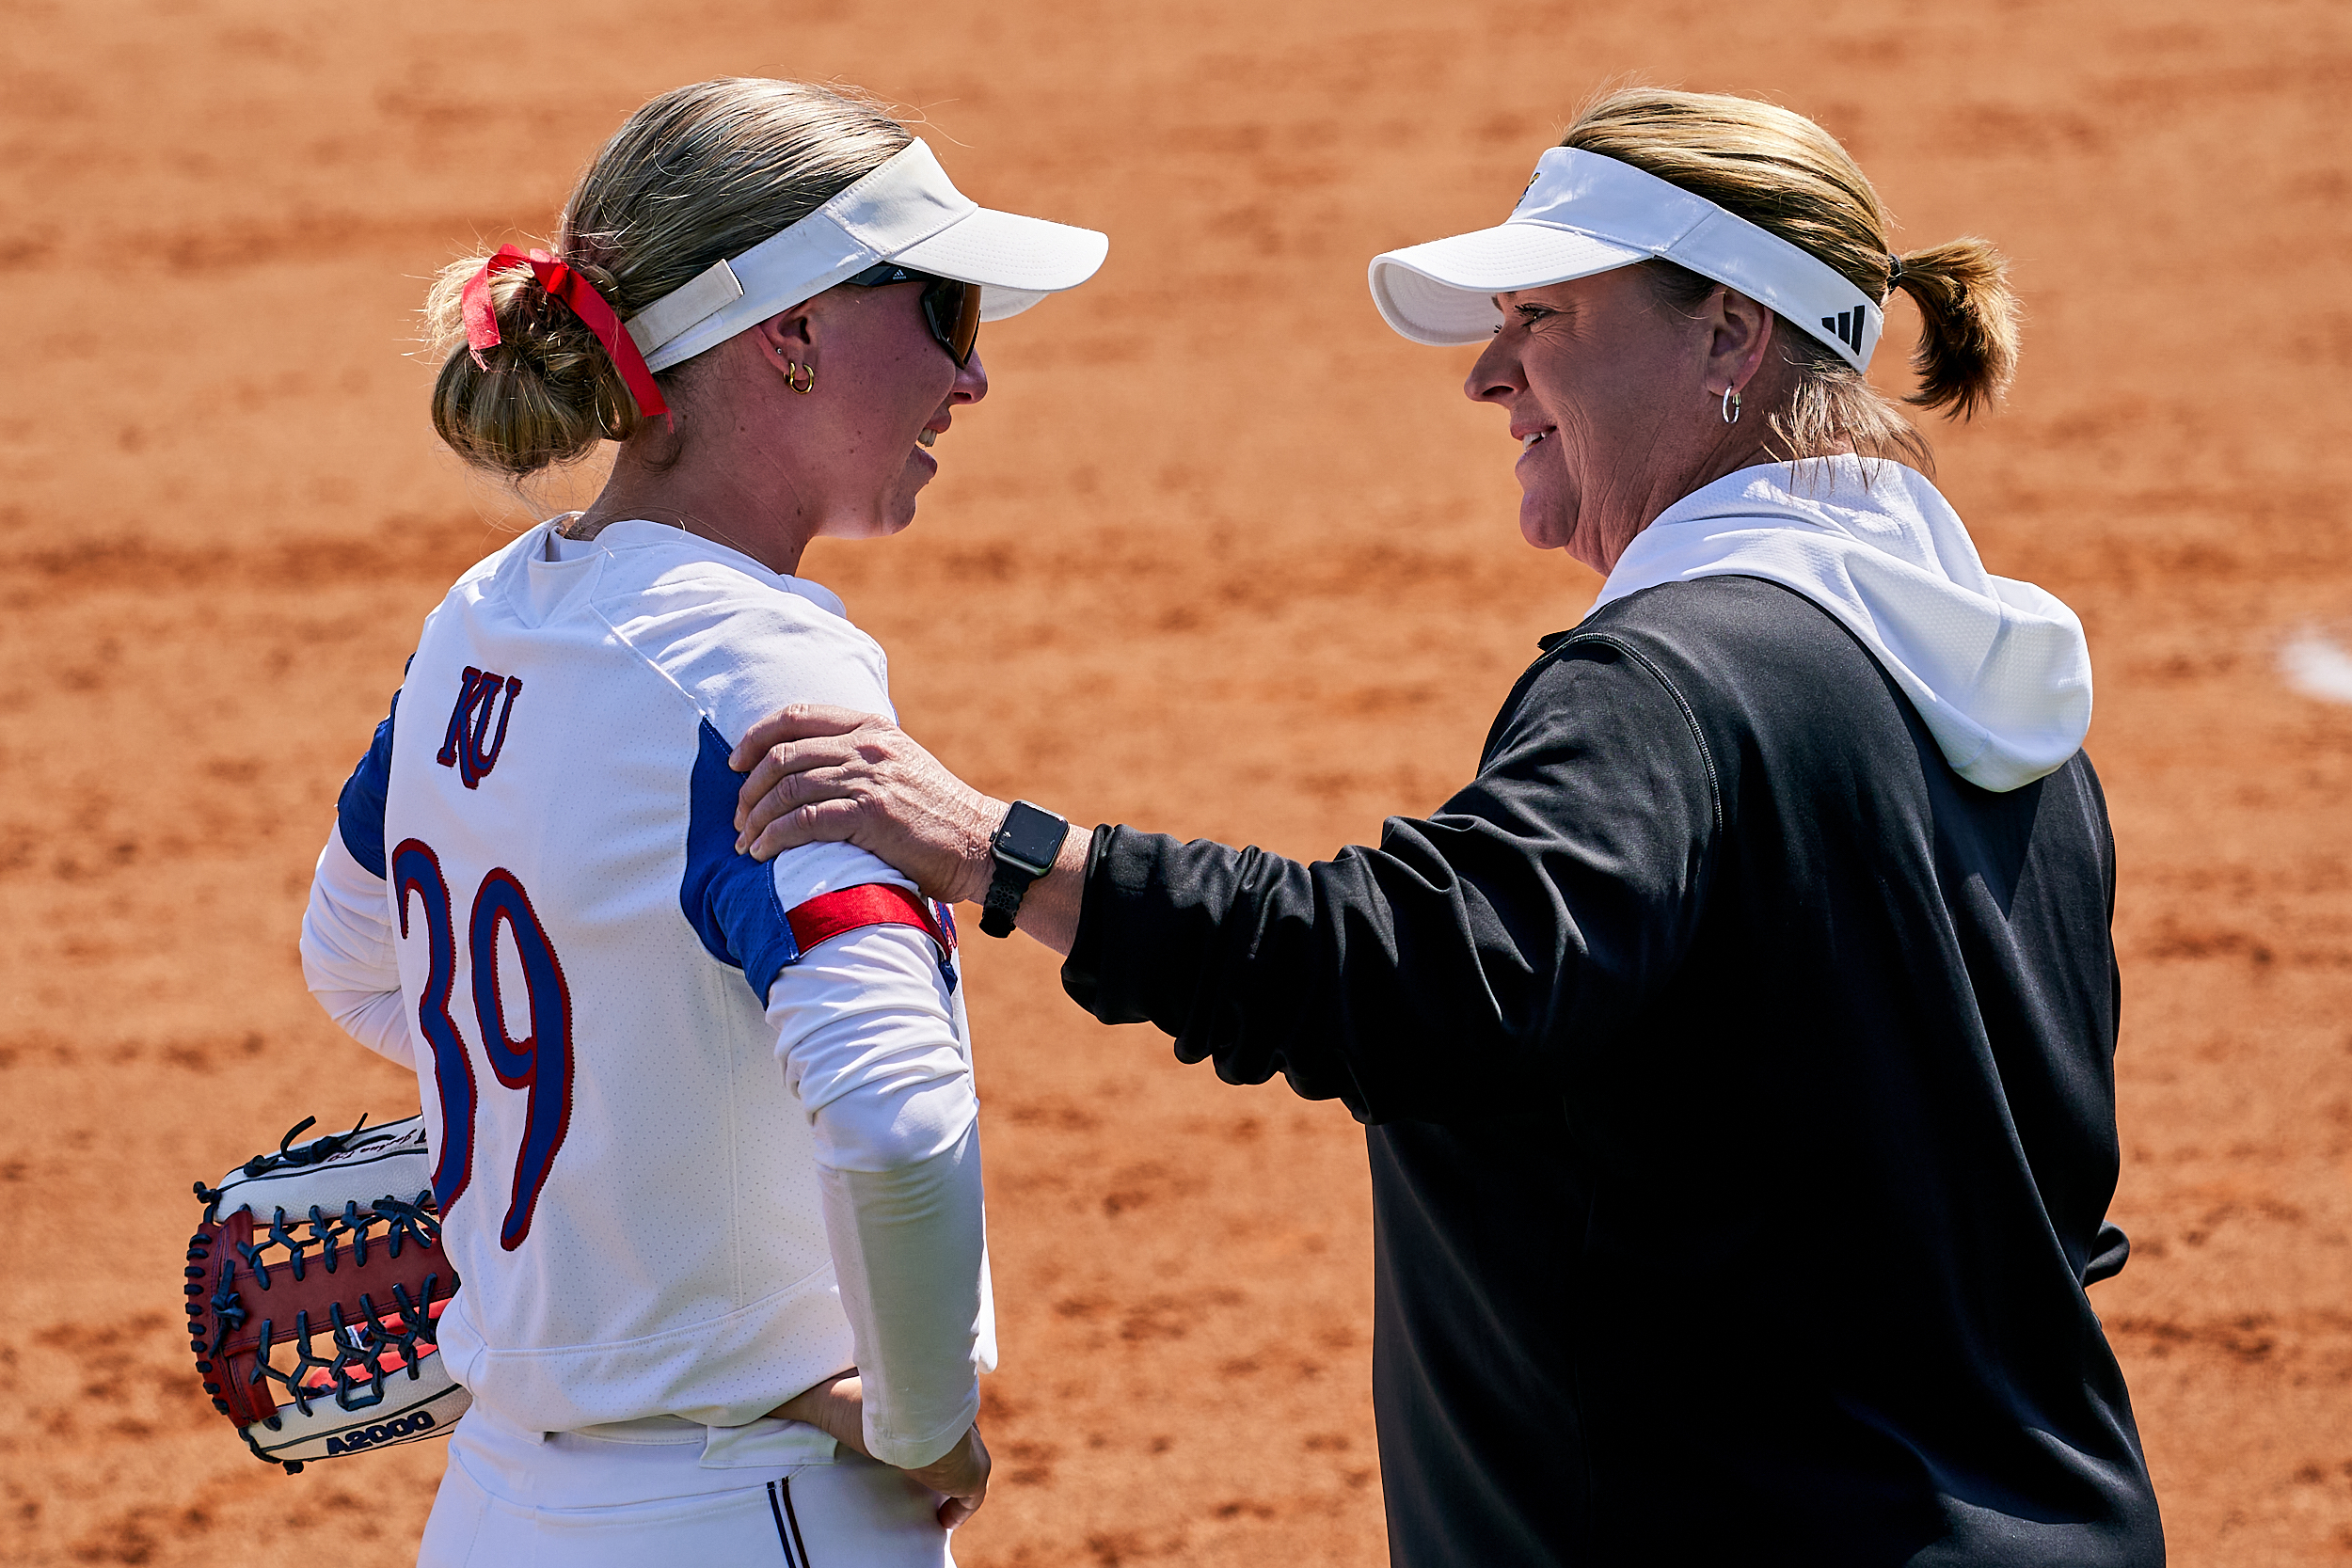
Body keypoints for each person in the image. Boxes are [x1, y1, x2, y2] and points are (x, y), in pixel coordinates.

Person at [725, 87, 2165, 1565]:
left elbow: (1427, 976)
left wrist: (1001, 850)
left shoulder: (1672, 682)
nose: (1491, 374)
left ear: (1732, 335)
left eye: (1545, 316)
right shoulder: (2009, 717)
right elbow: (2047, 1203)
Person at [295, 77, 1105, 1566]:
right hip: (752, 1501)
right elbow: (900, 1116)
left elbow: (354, 960)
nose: (970, 379)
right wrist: (923, 1421)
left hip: (491, 1510)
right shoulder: (764, 670)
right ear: (789, 335)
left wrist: (600, 1212)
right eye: (944, 314)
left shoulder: (476, 624)